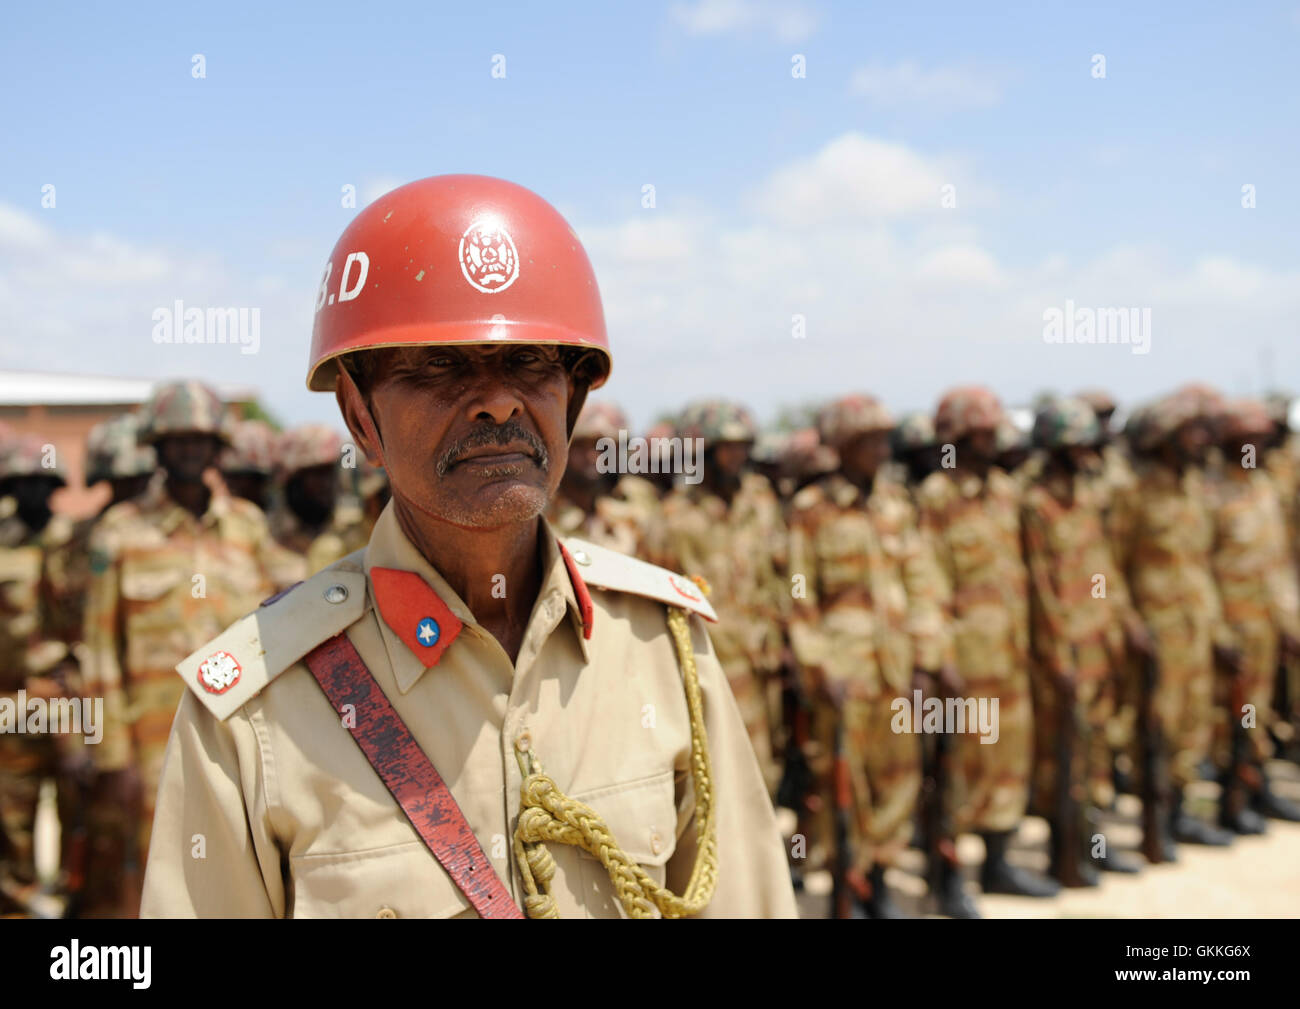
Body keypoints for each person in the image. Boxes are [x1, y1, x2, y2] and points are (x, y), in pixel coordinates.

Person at [140, 174, 797, 919]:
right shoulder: (250, 712)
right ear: (360, 416)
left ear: (572, 399)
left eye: (529, 362)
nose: (498, 400)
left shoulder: (664, 648)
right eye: (442, 365)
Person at [81, 380, 279, 915]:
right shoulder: (118, 534)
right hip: (150, 743)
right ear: (156, 447)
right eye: (177, 440)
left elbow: (270, 635)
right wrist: (111, 755)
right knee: (158, 873)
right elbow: (100, 650)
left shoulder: (249, 527)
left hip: (241, 732)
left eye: (201, 440)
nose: (190, 450)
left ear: (219, 448)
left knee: (241, 864)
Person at [787, 394, 960, 918]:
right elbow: (800, 594)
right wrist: (819, 666)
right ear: (844, 445)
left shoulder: (895, 507)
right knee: (847, 782)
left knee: (900, 777)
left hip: (898, 668)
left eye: (885, 440)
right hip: (845, 670)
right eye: (871, 441)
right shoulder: (812, 510)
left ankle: (880, 879)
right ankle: (850, 883)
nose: (882, 450)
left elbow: (923, 585)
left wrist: (927, 659)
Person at [916, 386, 1059, 899]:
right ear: (956, 436)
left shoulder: (1006, 491)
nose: (991, 441)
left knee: (1009, 763)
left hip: (1010, 656)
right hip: (966, 665)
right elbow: (927, 583)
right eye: (980, 433)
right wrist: (941, 658)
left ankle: (998, 863)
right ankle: (950, 879)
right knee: (959, 771)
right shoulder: (936, 499)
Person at [1021, 398, 1148, 886]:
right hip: (1066, 650)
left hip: (1100, 642)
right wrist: (1058, 658)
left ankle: (1093, 845)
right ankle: (1066, 854)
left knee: (1095, 751)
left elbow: (1104, 567)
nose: (1086, 453)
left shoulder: (1088, 497)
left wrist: (1123, 623)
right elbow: (1042, 589)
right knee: (1065, 755)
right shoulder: (1037, 505)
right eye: (1076, 445)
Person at [1110, 387, 1238, 850]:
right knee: (1155, 730)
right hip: (1156, 634)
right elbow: (1111, 567)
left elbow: (1200, 566)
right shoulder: (1132, 492)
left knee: (1192, 725)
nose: (1202, 439)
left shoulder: (1194, 489)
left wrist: (1218, 629)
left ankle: (1182, 816)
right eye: (1192, 431)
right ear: (1166, 437)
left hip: (1195, 631)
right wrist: (1130, 625)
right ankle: (1154, 822)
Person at [650, 399, 789, 795]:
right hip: (708, 669)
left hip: (763, 664)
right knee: (716, 779)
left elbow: (782, 574)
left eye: (744, 446)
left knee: (766, 771)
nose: (739, 456)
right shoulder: (673, 519)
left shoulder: (760, 504)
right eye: (728, 447)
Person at [1206, 398, 1300, 827]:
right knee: (1232, 716)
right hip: (1230, 628)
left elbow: (1276, 563)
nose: (1259, 446)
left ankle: (1257, 788)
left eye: (1262, 439)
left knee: (1258, 711)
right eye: (1250, 439)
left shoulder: (1263, 489)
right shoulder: (1210, 494)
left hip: (1265, 625)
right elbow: (1199, 570)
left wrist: (1288, 623)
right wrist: (1216, 631)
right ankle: (1233, 798)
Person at [0, 435, 72, 916]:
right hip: (12, 700)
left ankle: (73, 897)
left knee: (79, 806)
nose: (33, 494)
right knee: (12, 814)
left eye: (41, 484)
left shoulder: (77, 541)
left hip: (72, 700)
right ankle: (18, 900)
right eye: (23, 484)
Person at [546, 399, 658, 557]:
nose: (593, 456)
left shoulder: (633, 509)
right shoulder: (540, 516)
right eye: (581, 446)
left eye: (602, 447)